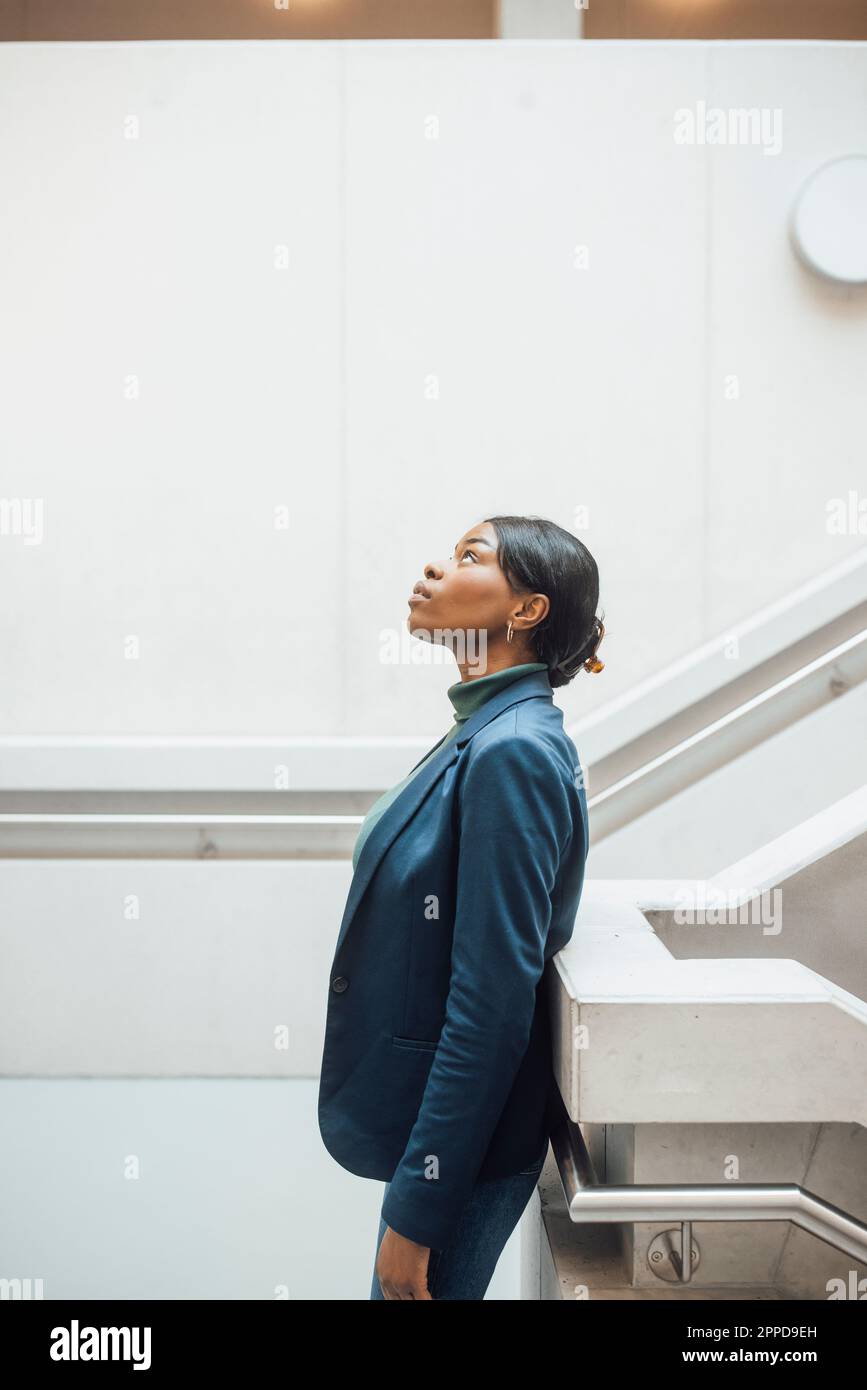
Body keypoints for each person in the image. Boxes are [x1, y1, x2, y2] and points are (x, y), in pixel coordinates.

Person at [317, 514, 605, 1299]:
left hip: (460, 1156)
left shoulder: (511, 749)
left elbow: (489, 1004)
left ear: (526, 610)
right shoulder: (488, 728)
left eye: (469, 556)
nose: (435, 569)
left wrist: (419, 1210)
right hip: (443, 1141)